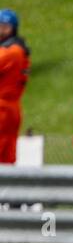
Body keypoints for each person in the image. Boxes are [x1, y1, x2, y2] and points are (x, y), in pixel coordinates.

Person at [0, 9, 29, 165]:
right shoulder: (16, 49)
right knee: (6, 157)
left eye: (3, 26)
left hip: (3, 109)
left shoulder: (11, 52)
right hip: (8, 109)